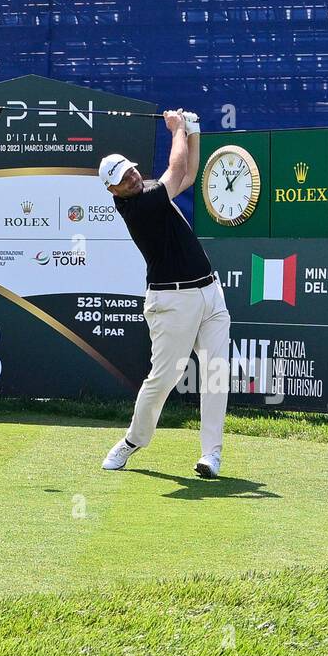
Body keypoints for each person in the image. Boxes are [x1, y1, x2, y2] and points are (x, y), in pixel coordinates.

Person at [97, 109, 230, 478]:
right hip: (172, 302)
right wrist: (176, 130)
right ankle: (131, 442)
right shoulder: (137, 206)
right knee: (164, 378)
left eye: (132, 170)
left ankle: (211, 455)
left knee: (217, 373)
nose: (133, 177)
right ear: (113, 191)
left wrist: (195, 129)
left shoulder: (148, 190)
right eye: (124, 179)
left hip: (210, 292)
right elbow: (175, 169)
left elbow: (189, 173)